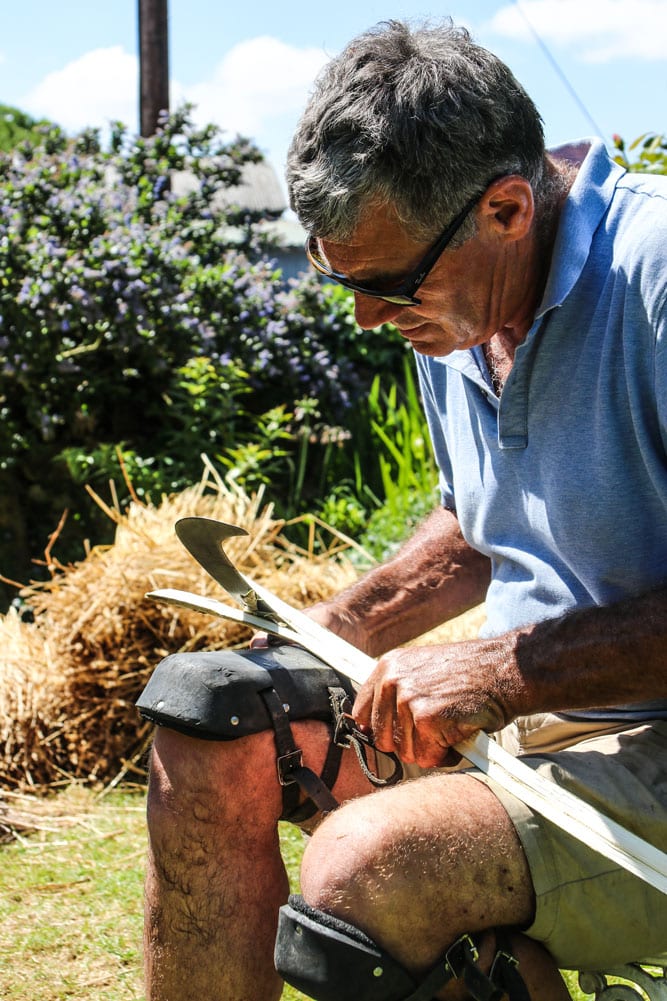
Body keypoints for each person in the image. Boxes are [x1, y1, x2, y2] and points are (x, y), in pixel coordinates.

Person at [142, 18, 667, 1001]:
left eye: (385, 285)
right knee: (208, 715)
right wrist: (333, 631)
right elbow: (482, 516)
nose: (365, 320)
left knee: (368, 866)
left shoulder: (656, 273)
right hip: (534, 728)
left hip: (649, 741)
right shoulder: (459, 302)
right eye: (346, 281)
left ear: (505, 208)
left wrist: (500, 668)